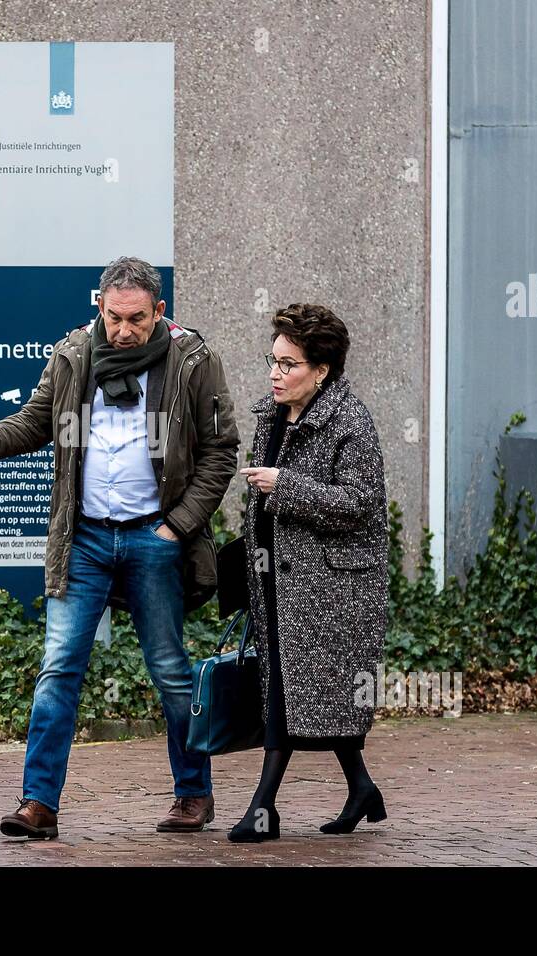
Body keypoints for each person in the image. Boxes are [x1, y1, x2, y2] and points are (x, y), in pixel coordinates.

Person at [0, 256, 239, 840]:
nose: (123, 330)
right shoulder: (74, 354)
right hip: (85, 539)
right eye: (114, 317)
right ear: (99, 306)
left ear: (160, 311)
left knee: (171, 671)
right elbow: (35, 422)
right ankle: (38, 804)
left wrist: (178, 526)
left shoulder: (192, 360)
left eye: (137, 319)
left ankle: (193, 794)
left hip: (155, 536)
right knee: (59, 668)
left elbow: (220, 449)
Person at [230, 302, 390, 842]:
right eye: (273, 361)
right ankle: (362, 788)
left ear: (321, 370)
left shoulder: (351, 422)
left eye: (288, 364)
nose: (275, 374)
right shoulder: (272, 415)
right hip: (276, 579)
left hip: (333, 588)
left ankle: (263, 809)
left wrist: (286, 486)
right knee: (304, 692)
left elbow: (359, 503)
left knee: (292, 690)